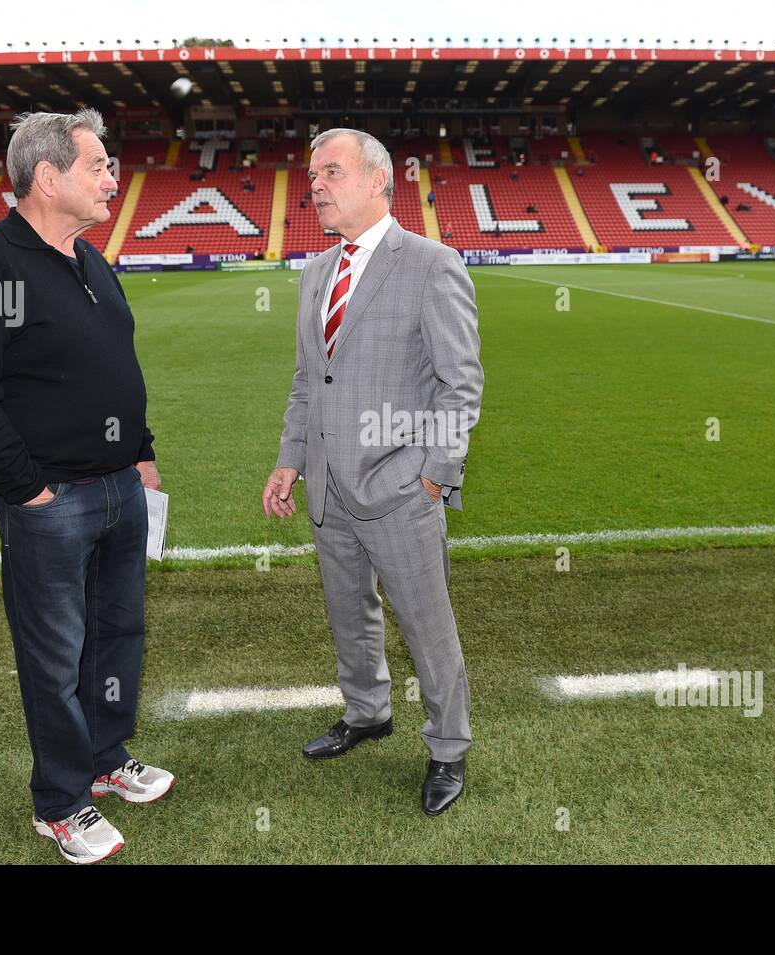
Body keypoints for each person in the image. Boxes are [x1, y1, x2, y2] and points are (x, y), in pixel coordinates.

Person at [0, 109, 172, 865]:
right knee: (54, 654)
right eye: (99, 165)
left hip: (118, 488)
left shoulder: (89, 258)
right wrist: (28, 491)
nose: (113, 179)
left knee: (117, 635)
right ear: (48, 177)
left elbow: (116, 366)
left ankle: (107, 755)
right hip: (52, 502)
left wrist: (140, 453)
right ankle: (62, 801)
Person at [263, 128, 483, 817]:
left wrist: (433, 474)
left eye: (332, 172)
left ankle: (448, 746)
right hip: (329, 486)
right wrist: (290, 459)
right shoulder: (314, 273)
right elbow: (308, 380)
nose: (316, 186)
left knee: (427, 625)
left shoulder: (430, 263)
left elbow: (460, 383)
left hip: (400, 488)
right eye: (312, 176)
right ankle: (367, 712)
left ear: (379, 181)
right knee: (347, 614)